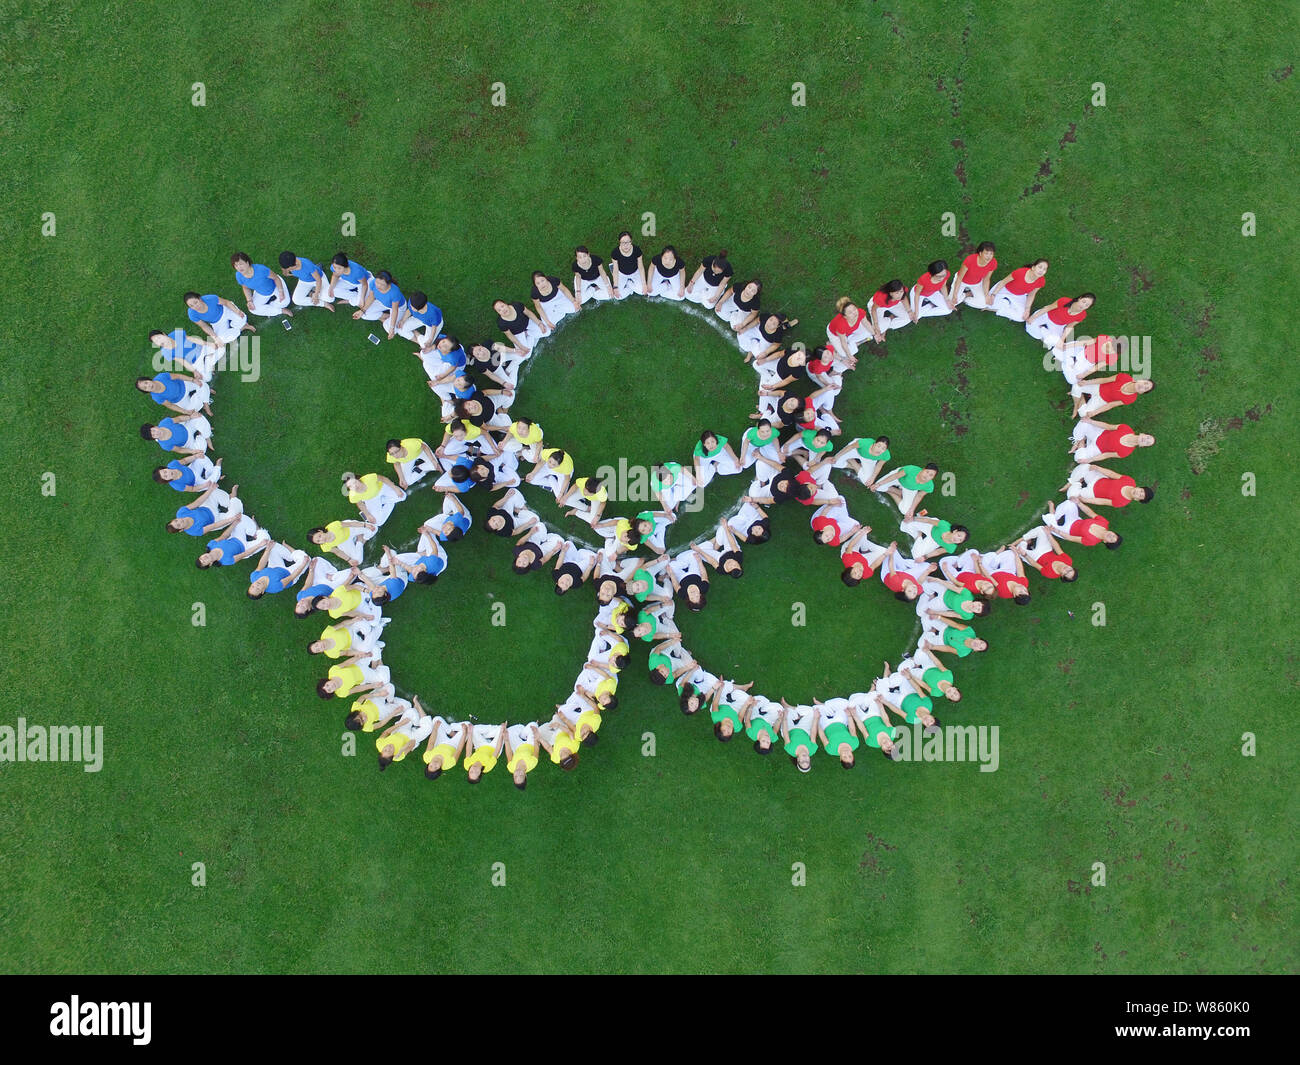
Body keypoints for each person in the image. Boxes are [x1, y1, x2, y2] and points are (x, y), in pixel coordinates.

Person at [231, 252, 292, 318]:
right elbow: (245, 287)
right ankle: (281, 311)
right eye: (236, 265)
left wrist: (281, 291)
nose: (239, 267)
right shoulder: (239, 275)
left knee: (285, 302)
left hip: (275, 286)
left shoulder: (261, 269)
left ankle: (270, 309)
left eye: (241, 264)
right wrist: (249, 301)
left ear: (247, 262)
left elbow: (276, 278)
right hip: (260, 292)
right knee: (253, 309)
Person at [1065, 463, 1155, 507]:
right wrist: (1098, 468)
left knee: (1071, 496)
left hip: (1092, 493)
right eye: (1141, 491)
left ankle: (1077, 483)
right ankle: (1073, 481)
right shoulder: (1130, 481)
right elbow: (1112, 474)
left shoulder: (1122, 502)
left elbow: (1102, 501)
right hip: (1098, 479)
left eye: (1140, 496)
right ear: (1139, 487)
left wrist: (1085, 500)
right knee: (1086, 466)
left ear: (1136, 499)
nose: (1138, 493)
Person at [1043, 498, 1121, 549]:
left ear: (1105, 541)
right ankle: (1054, 516)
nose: (1111, 536)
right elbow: (1091, 513)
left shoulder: (1092, 541)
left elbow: (1071, 538)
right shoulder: (1104, 523)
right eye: (1113, 535)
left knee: (1050, 524)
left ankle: (1052, 511)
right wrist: (1079, 503)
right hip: (1075, 520)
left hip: (1067, 531)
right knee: (1070, 503)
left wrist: (1057, 531)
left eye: (1111, 539)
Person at [1071, 372, 1155, 419]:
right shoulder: (1125, 377)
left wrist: (1095, 412)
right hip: (1098, 387)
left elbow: (1111, 405)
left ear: (1142, 393)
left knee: (1083, 415)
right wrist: (1087, 382)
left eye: (1145, 388)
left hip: (1102, 401)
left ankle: (1081, 396)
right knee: (1076, 386)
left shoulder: (1131, 398)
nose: (1143, 386)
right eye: (1145, 383)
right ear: (1141, 380)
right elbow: (1105, 380)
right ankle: (1076, 406)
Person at [1070, 418, 1155, 463]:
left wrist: (1090, 460)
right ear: (1143, 434)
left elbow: (1106, 455)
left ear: (1142, 446)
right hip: (1098, 434)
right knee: (1083, 422)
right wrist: (1091, 421)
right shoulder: (1126, 428)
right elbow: (1108, 426)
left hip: (1097, 449)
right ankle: (1078, 441)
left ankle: (1082, 441)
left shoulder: (1126, 452)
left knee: (1078, 458)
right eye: (1148, 437)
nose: (1145, 440)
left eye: (1147, 443)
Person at [874, 462, 939, 521]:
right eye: (927, 472)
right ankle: (899, 492)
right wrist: (879, 484)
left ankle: (891, 491)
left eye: (931, 475)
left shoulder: (929, 486)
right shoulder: (911, 469)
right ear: (923, 469)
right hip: (898, 479)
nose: (927, 476)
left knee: (905, 511)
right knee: (878, 487)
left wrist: (911, 510)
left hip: (910, 489)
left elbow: (919, 495)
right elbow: (895, 476)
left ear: (932, 478)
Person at [1027, 293, 1094, 350]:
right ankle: (1044, 334)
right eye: (1083, 301)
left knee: (1056, 344)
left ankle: (1042, 329)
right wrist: (1033, 317)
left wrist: (1061, 340)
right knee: (1029, 327)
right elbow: (1048, 308)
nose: (1083, 305)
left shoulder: (1082, 315)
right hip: (1046, 316)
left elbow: (1070, 326)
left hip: (1058, 325)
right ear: (1080, 298)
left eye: (1087, 305)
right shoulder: (1064, 301)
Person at [148, 327, 221, 378]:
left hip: (202, 350)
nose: (159, 341)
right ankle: (209, 362)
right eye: (156, 341)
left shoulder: (176, 333)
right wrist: (194, 371)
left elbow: (192, 339)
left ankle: (209, 361)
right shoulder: (165, 353)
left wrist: (209, 344)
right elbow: (182, 361)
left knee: (221, 349)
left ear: (163, 334)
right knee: (207, 378)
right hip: (195, 362)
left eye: (159, 338)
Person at [354, 270, 408, 338]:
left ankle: (396, 320)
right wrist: (362, 310)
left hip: (398, 307)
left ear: (388, 284)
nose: (378, 285)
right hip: (382, 302)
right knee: (363, 315)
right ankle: (388, 317)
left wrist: (392, 328)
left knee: (389, 328)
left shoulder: (394, 292)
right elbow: (371, 297)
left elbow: (395, 310)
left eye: (382, 284)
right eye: (377, 282)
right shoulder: (373, 283)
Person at [184, 292, 252, 345]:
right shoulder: (192, 314)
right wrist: (215, 338)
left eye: (196, 302)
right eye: (191, 306)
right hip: (216, 322)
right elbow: (204, 326)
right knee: (222, 339)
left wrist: (237, 311)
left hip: (225, 311)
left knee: (242, 318)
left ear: (200, 299)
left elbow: (226, 302)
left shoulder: (210, 298)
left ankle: (238, 325)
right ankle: (242, 328)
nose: (195, 306)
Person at [134, 371, 211, 415]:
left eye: (146, 383)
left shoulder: (161, 377)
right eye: (145, 388)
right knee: (192, 411)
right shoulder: (156, 397)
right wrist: (185, 411)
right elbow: (170, 405)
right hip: (180, 400)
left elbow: (178, 376)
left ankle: (206, 404)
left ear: (148, 380)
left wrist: (192, 380)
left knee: (202, 383)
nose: (148, 386)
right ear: (146, 391)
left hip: (184, 385)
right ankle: (204, 396)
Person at [949, 241, 997, 308]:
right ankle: (966, 294)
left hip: (976, 283)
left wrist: (986, 295)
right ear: (980, 253)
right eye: (986, 253)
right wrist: (955, 295)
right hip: (962, 282)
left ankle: (965, 297)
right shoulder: (970, 260)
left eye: (991, 254)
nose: (989, 257)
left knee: (984, 304)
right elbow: (959, 278)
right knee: (951, 303)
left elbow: (986, 279)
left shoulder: (993, 263)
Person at [900, 514, 969, 561]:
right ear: (955, 531)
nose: (957, 539)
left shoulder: (951, 548)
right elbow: (928, 521)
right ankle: (921, 517)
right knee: (904, 525)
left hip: (934, 541)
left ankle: (919, 535)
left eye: (960, 540)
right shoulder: (945, 525)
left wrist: (925, 557)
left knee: (916, 556)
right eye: (959, 535)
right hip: (930, 527)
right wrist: (913, 519)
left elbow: (938, 551)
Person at [307, 519, 375, 565]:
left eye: (319, 536)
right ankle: (359, 540)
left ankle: (360, 537)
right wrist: (349, 560)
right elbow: (337, 552)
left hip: (350, 529)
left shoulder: (333, 526)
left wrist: (365, 525)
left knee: (374, 528)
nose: (321, 539)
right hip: (343, 542)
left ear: (320, 531)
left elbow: (351, 524)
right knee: (358, 561)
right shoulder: (325, 547)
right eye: (318, 541)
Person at [815, 699, 861, 768]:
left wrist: (817, 722)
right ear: (853, 755)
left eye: (845, 757)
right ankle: (825, 706)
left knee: (814, 710)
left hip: (826, 724)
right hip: (841, 721)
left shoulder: (831, 750)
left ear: (840, 758)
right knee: (845, 703)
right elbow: (852, 729)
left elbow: (822, 736)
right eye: (850, 756)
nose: (846, 753)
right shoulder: (855, 744)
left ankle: (824, 706)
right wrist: (849, 716)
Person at [153, 452, 221, 493]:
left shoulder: (172, 465)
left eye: (165, 471)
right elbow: (192, 489)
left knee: (202, 457)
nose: (168, 473)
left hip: (192, 469)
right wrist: (204, 485)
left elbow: (185, 461)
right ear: (166, 480)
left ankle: (210, 473)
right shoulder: (177, 485)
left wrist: (195, 456)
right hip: (196, 483)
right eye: (165, 476)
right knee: (210, 483)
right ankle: (217, 467)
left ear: (165, 468)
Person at [780, 702, 819, 772]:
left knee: (784, 711)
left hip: (789, 729)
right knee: (812, 711)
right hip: (804, 729)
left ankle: (791, 710)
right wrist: (816, 718)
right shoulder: (813, 749)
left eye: (802, 761)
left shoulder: (790, 749)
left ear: (798, 760)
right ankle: (795, 711)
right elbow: (813, 733)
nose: (805, 759)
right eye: (807, 761)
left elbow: (785, 732)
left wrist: (784, 717)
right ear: (809, 759)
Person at [609, 231, 646, 298]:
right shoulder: (615, 252)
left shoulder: (637, 250)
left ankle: (628, 284)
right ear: (619, 242)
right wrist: (615, 287)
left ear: (631, 242)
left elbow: (641, 267)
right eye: (623, 243)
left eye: (628, 242)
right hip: (622, 273)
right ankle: (612, 267)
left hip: (635, 272)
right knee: (618, 297)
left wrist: (644, 284)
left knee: (642, 291)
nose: (626, 245)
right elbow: (616, 270)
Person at [504, 723, 540, 790]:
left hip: (517, 747)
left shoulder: (511, 768)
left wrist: (506, 740)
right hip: (530, 744)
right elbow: (536, 749)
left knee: (508, 732)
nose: (517, 773)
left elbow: (509, 754)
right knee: (533, 724)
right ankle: (525, 734)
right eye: (520, 775)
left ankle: (523, 734)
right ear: (525, 775)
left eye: (515, 776)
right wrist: (535, 737)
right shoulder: (532, 763)